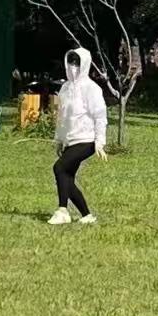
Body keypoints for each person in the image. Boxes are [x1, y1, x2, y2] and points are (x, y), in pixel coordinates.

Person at [49, 47, 107, 225]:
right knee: (66, 177)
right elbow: (62, 117)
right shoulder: (65, 88)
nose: (73, 66)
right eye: (71, 62)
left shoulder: (92, 88)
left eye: (77, 63)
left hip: (86, 140)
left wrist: (100, 141)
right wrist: (59, 139)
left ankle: (62, 210)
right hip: (70, 140)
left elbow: (100, 116)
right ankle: (87, 215)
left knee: (59, 168)